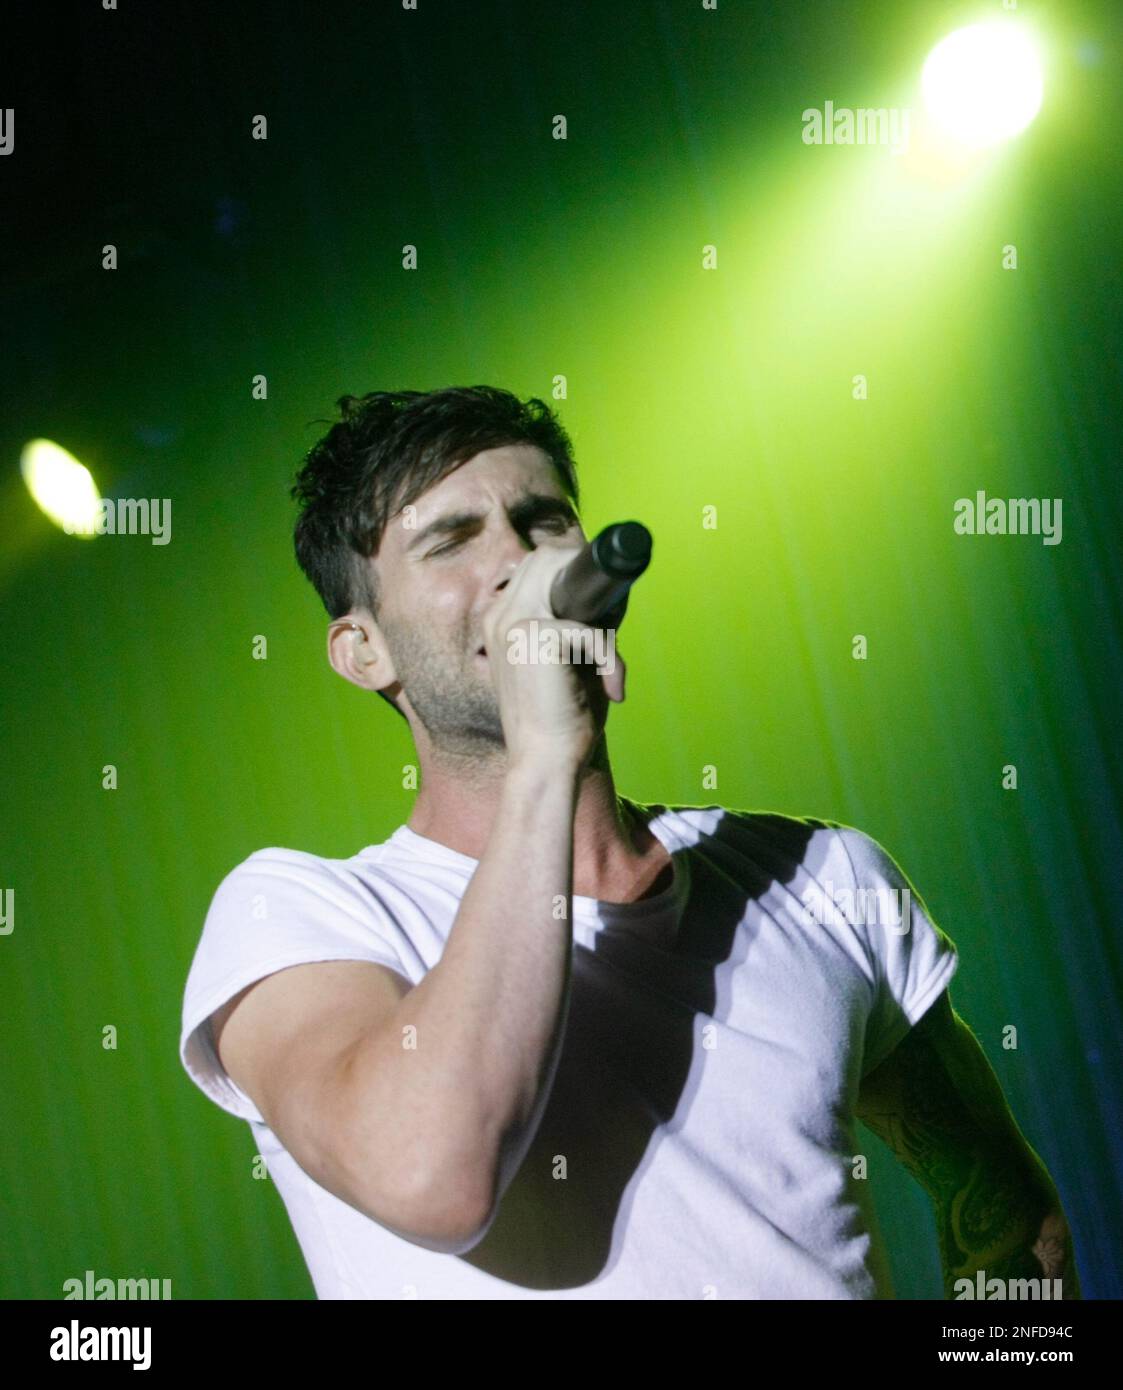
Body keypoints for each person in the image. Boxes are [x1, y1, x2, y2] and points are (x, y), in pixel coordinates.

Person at [179, 385, 1080, 1300]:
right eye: (451, 540)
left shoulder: (819, 875)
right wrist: (543, 761)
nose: (517, 563)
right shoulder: (298, 916)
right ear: (363, 651)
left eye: (543, 521)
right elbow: (431, 1180)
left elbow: (1009, 1220)